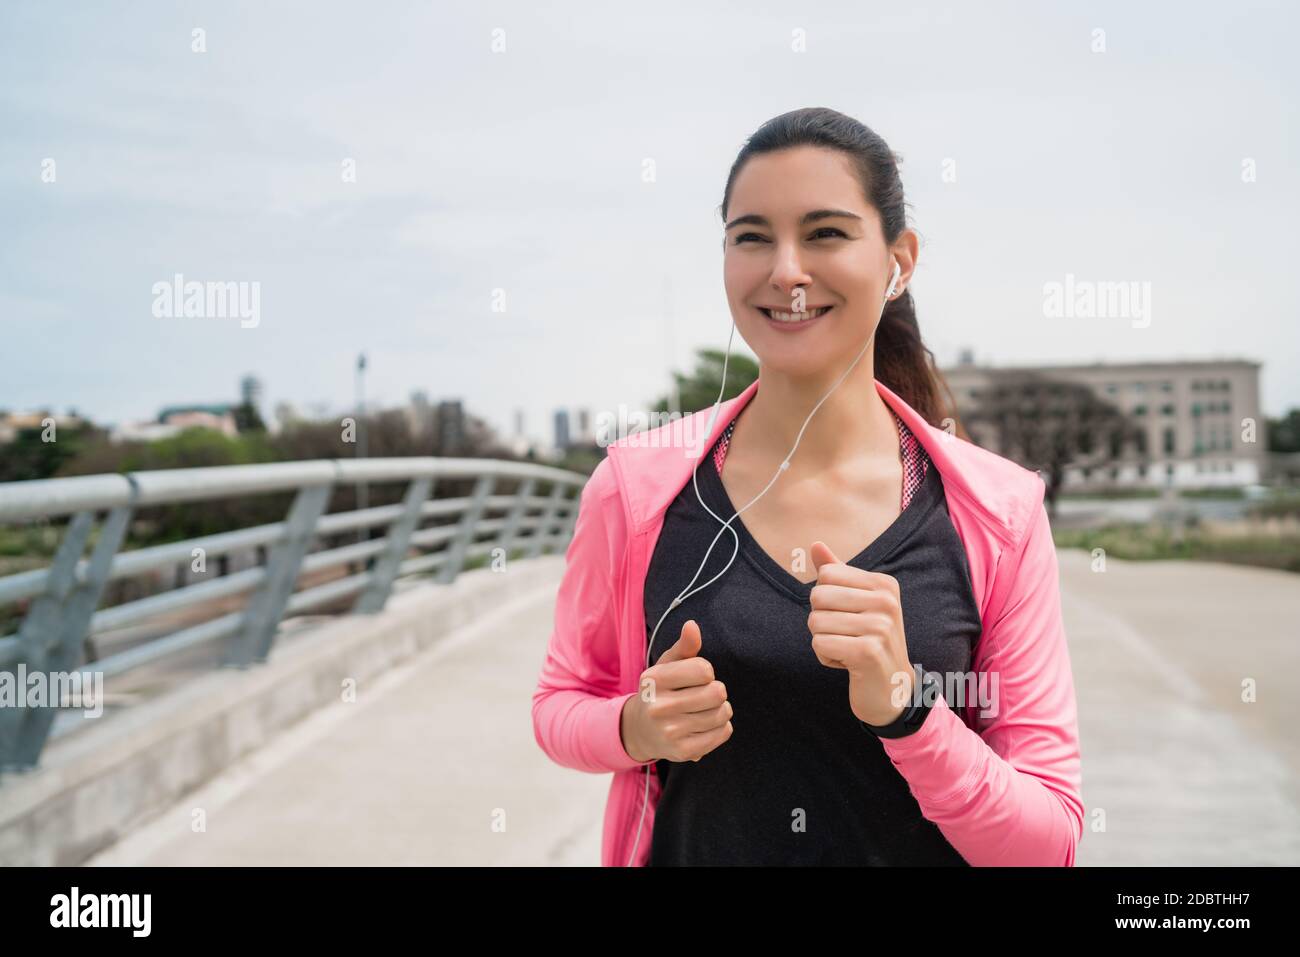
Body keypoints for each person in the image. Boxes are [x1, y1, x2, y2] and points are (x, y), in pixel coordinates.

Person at [532, 107, 1083, 866]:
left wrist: (908, 709)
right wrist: (634, 726)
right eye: (752, 236)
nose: (785, 270)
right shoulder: (634, 487)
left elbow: (1046, 841)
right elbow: (560, 702)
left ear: (899, 260)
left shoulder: (1000, 511)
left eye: (825, 233)